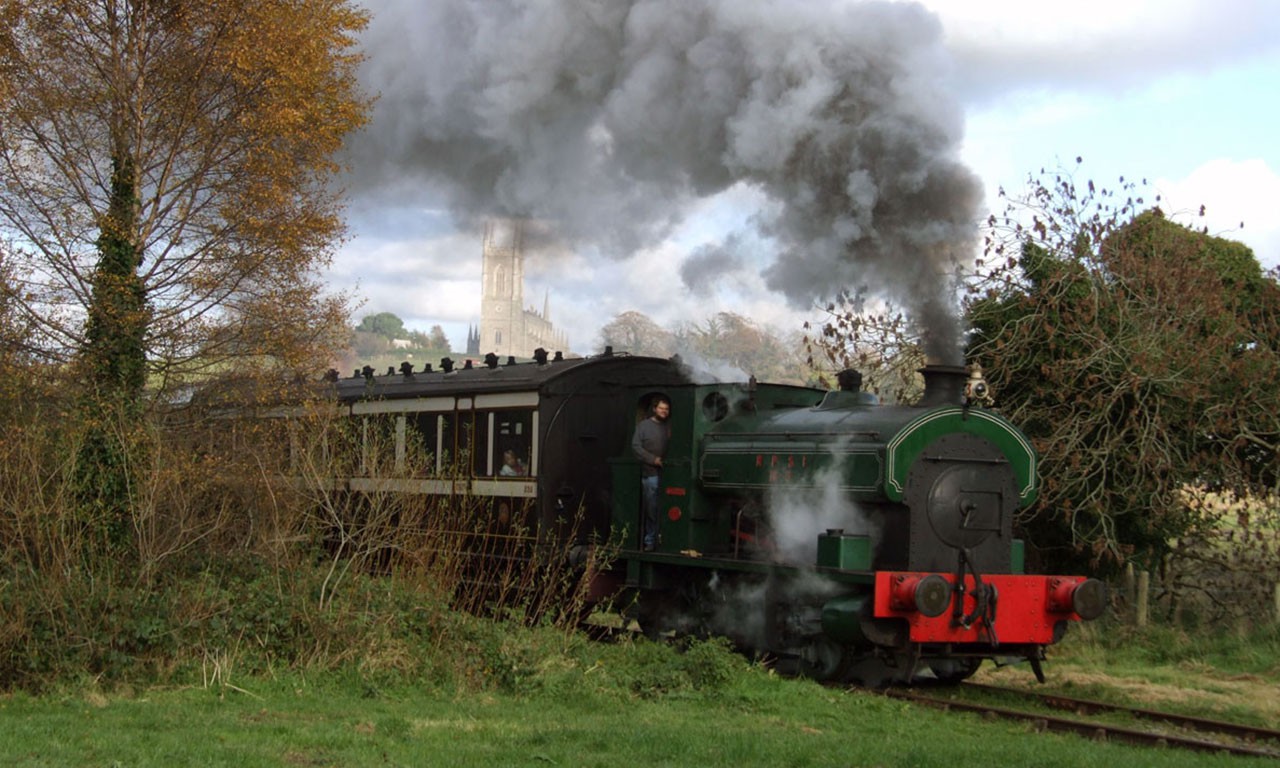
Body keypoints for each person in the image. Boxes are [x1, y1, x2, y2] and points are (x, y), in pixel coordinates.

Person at [630, 396, 670, 551]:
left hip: (669, 473)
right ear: (654, 409)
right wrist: (653, 460)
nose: (664, 411)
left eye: (666, 409)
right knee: (651, 508)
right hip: (651, 473)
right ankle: (650, 540)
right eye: (661, 408)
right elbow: (636, 447)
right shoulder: (643, 426)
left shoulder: (669, 426)